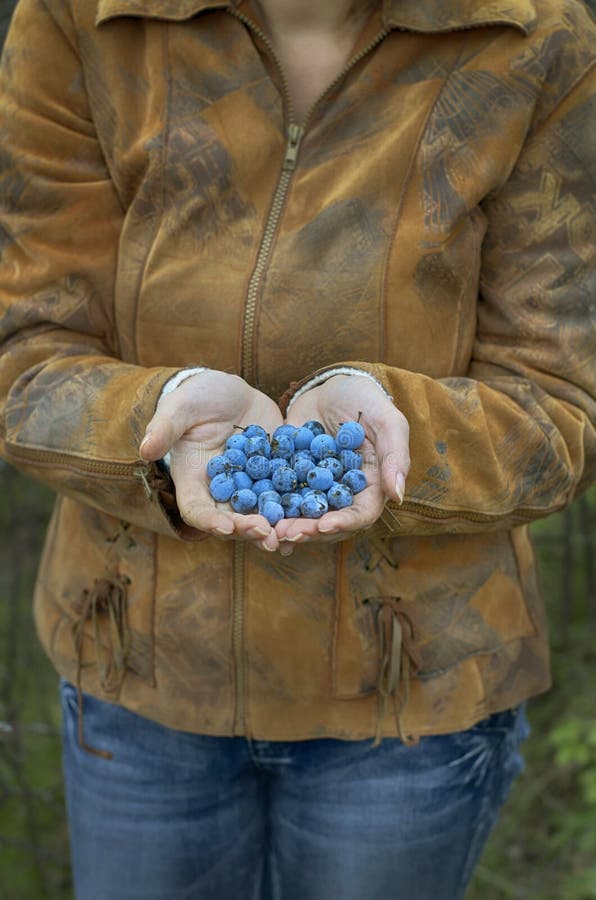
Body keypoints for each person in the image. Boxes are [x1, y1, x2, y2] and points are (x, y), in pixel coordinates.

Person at [0, 0, 594, 897]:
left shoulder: (535, 35)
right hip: (139, 664)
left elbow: (557, 405)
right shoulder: (83, 17)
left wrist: (397, 422)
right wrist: (155, 419)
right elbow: (23, 352)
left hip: (411, 687)